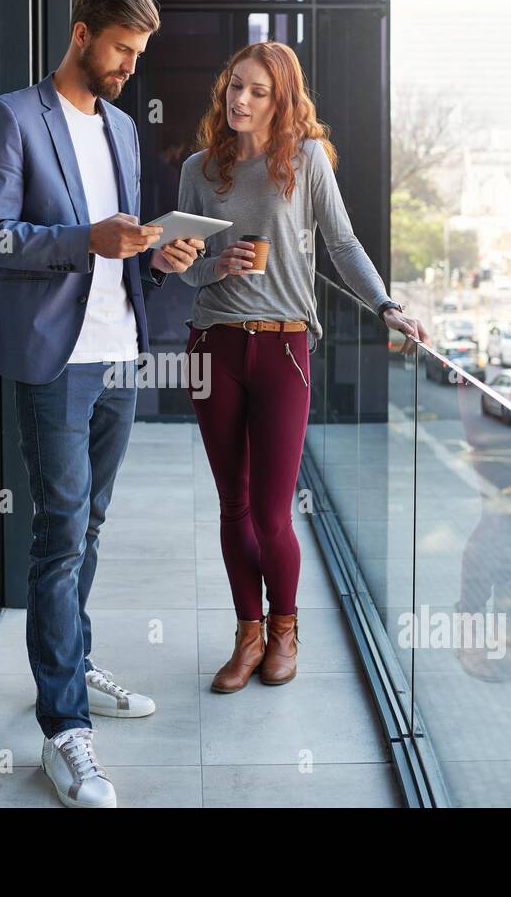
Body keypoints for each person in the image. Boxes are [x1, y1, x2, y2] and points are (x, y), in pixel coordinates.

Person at [0, 0, 202, 808]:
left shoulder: (128, 133)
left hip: (119, 352)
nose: (131, 67)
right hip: (56, 361)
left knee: (90, 524)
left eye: (140, 55)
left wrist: (157, 254)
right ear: (79, 34)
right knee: (60, 534)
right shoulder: (11, 118)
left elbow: (124, 242)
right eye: (121, 50)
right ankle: (64, 727)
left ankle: (69, 660)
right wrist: (85, 240)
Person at [174, 42, 427, 693]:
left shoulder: (306, 161)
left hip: (285, 348)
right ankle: (247, 633)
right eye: (235, 86)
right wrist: (212, 264)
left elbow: (341, 243)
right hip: (214, 345)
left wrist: (386, 304)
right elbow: (181, 268)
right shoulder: (202, 169)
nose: (240, 99)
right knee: (233, 505)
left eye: (257, 90)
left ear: (280, 99)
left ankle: (285, 629)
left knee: (271, 511)